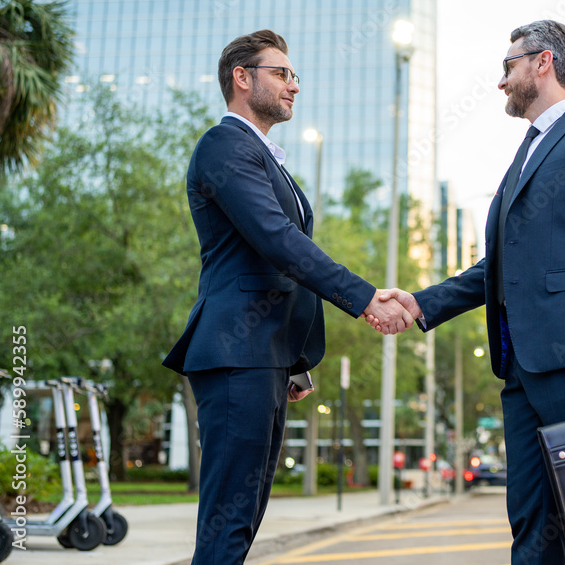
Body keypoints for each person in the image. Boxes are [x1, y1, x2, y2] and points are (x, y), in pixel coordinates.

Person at [377, 20, 565, 565]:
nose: (501, 80)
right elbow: (500, 268)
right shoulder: (524, 154)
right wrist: (423, 303)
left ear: (543, 62)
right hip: (520, 374)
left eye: (508, 65)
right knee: (531, 526)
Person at [162, 30, 413, 565]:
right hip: (236, 353)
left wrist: (292, 360)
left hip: (262, 356)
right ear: (241, 77)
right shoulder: (224, 145)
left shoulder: (264, 156)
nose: (293, 85)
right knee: (228, 524)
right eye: (281, 73)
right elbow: (278, 242)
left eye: (293, 75)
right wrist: (366, 297)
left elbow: (278, 259)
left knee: (243, 521)